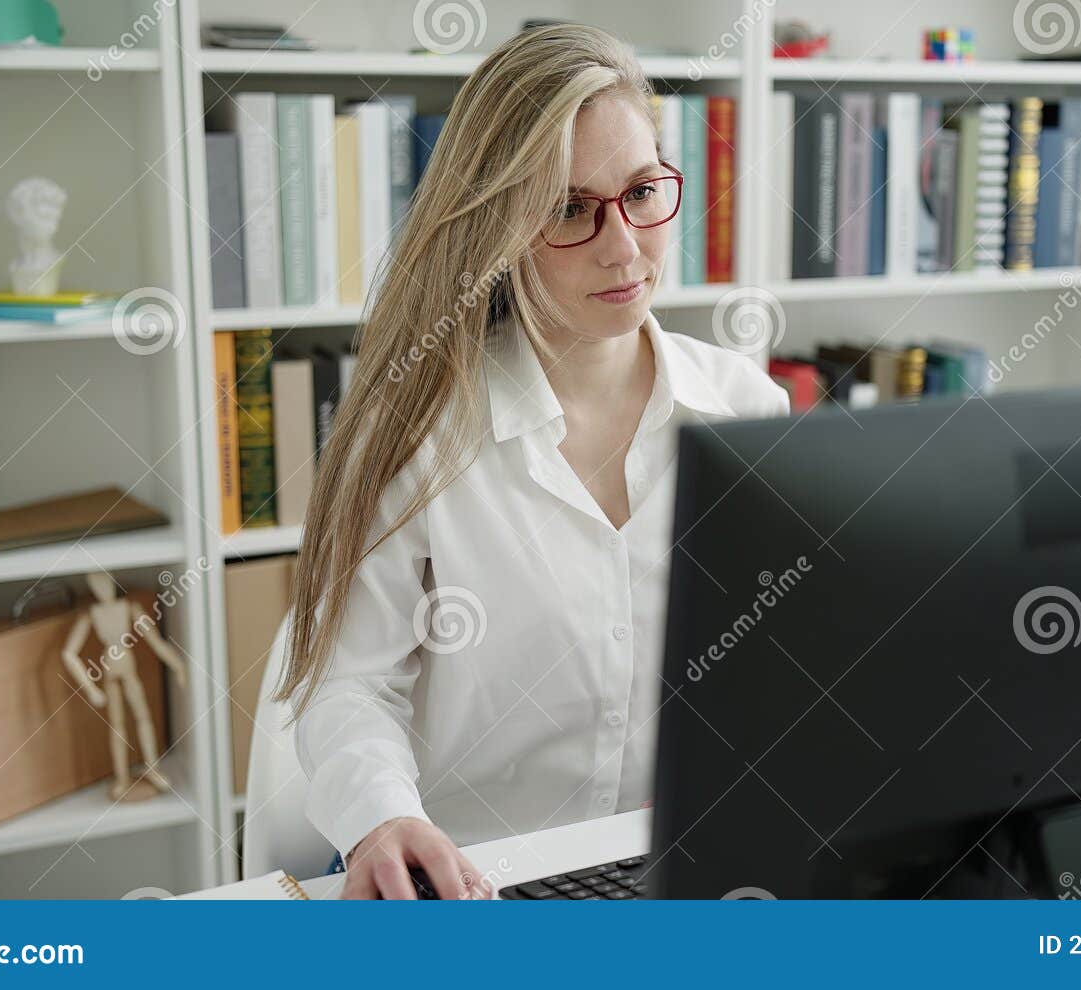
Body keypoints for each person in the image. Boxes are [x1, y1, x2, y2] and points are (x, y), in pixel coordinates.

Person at [272, 23, 789, 900]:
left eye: (642, 192)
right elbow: (348, 688)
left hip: (684, 870)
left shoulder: (747, 409)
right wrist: (380, 819)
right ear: (498, 227)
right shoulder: (415, 432)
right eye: (568, 209)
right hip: (477, 879)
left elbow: (789, 675)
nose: (623, 246)